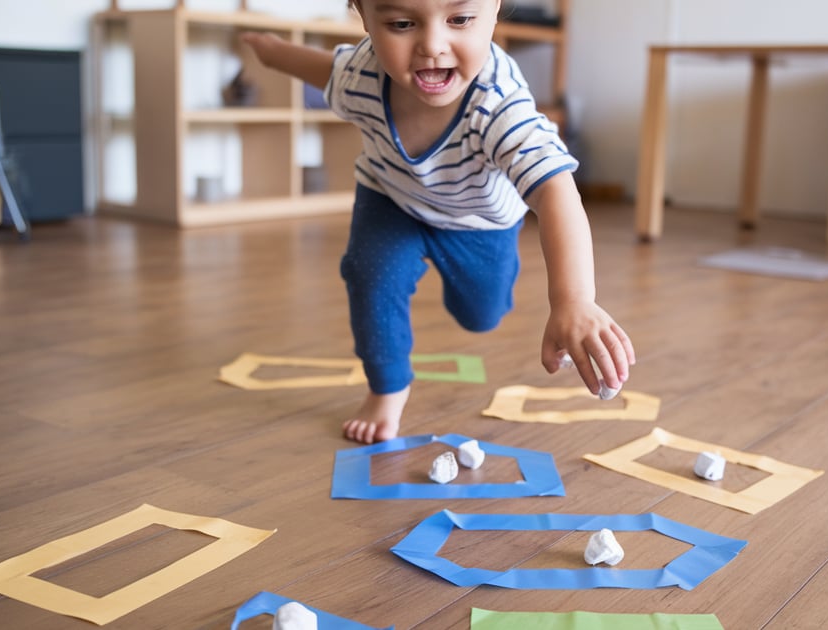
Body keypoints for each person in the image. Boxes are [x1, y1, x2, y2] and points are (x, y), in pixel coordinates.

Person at [242, 0, 635, 444]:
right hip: (391, 197)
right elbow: (320, 68)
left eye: (461, 19)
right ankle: (387, 389)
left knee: (481, 316)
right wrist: (267, 48)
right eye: (402, 23)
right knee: (369, 274)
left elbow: (555, 189)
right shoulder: (361, 76)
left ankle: (475, 296)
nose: (432, 46)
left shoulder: (498, 104)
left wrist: (574, 300)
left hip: (480, 224)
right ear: (362, 14)